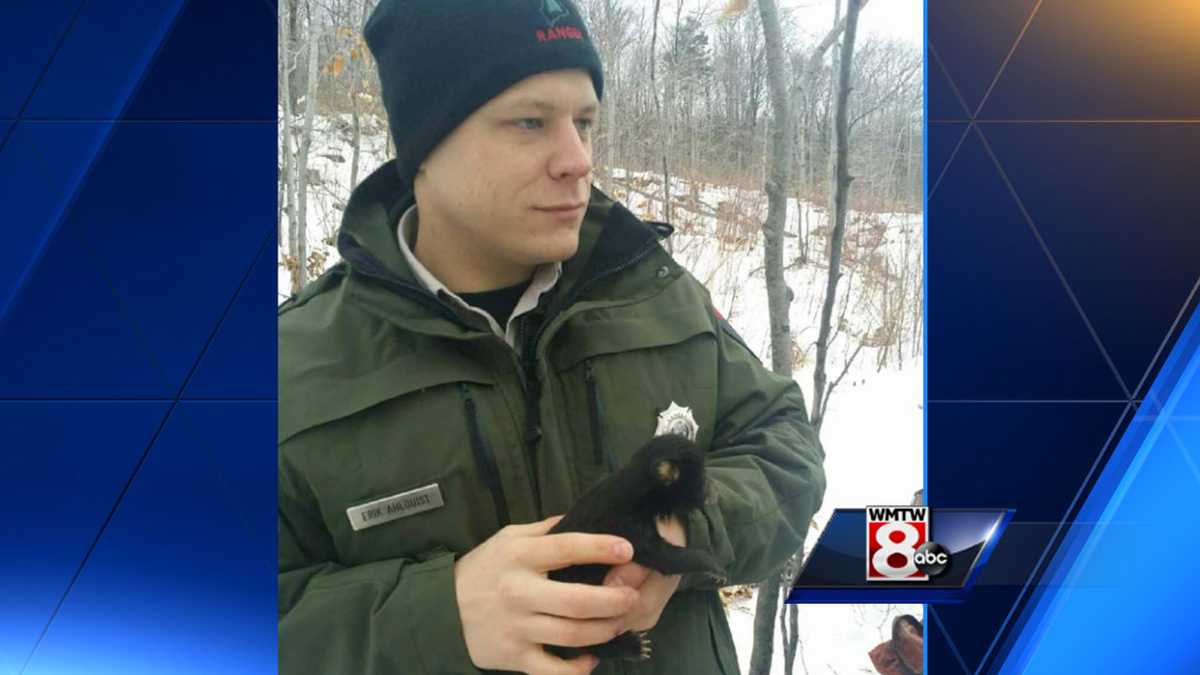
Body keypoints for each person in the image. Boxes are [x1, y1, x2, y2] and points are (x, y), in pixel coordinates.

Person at [277, 1, 825, 673]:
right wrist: (437, 617)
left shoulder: (654, 291)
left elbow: (786, 446)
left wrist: (683, 530)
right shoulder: (289, 369)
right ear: (425, 142)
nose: (576, 159)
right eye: (530, 122)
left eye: (585, 123)